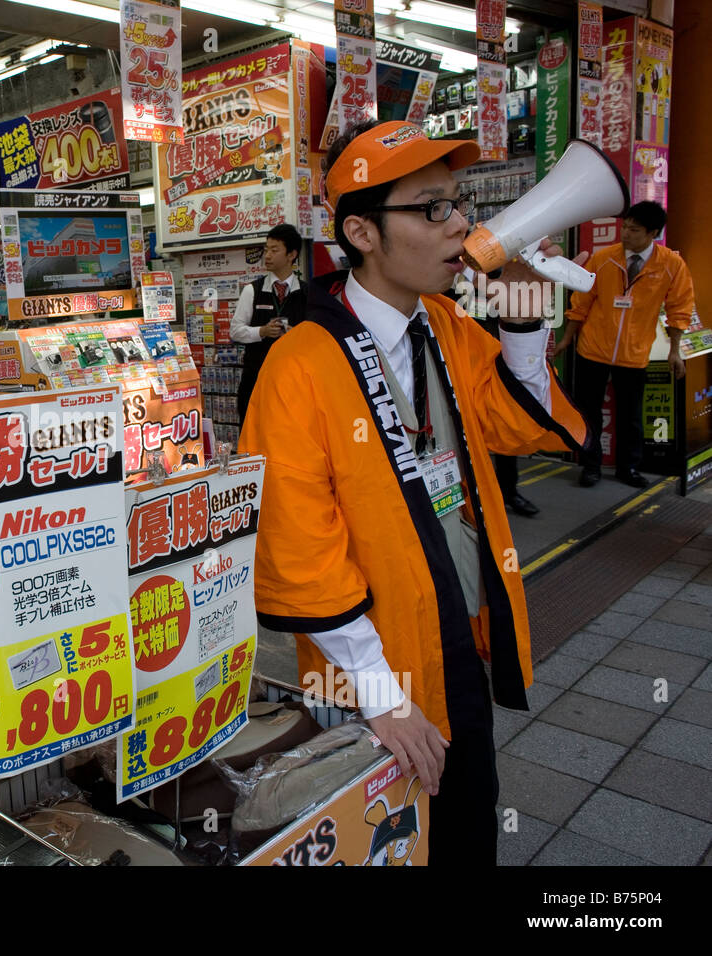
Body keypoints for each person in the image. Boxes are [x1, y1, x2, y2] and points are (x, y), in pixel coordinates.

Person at [240, 120, 588, 864]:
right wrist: (382, 695)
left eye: (456, 203)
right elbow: (298, 546)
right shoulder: (298, 363)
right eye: (431, 208)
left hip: (459, 629)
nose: (460, 223)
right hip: (372, 659)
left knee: (466, 820)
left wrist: (523, 330)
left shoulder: (448, 323)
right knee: (389, 839)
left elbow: (518, 428)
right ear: (362, 231)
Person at [555, 201, 695, 488]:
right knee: (588, 411)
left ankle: (628, 468)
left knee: (631, 416)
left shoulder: (671, 265)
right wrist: (568, 337)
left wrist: (675, 351)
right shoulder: (604, 258)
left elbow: (680, 308)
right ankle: (590, 465)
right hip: (592, 350)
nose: (626, 234)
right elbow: (581, 301)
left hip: (634, 354)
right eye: (625, 227)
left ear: (652, 233)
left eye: (634, 230)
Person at [231, 223, 307, 424]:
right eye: (266, 249)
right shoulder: (252, 291)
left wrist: (296, 335)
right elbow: (235, 331)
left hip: (294, 382)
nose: (268, 255)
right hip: (256, 380)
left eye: (275, 250)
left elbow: (318, 338)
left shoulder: (307, 294)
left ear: (291, 254)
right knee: (253, 435)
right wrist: (262, 332)